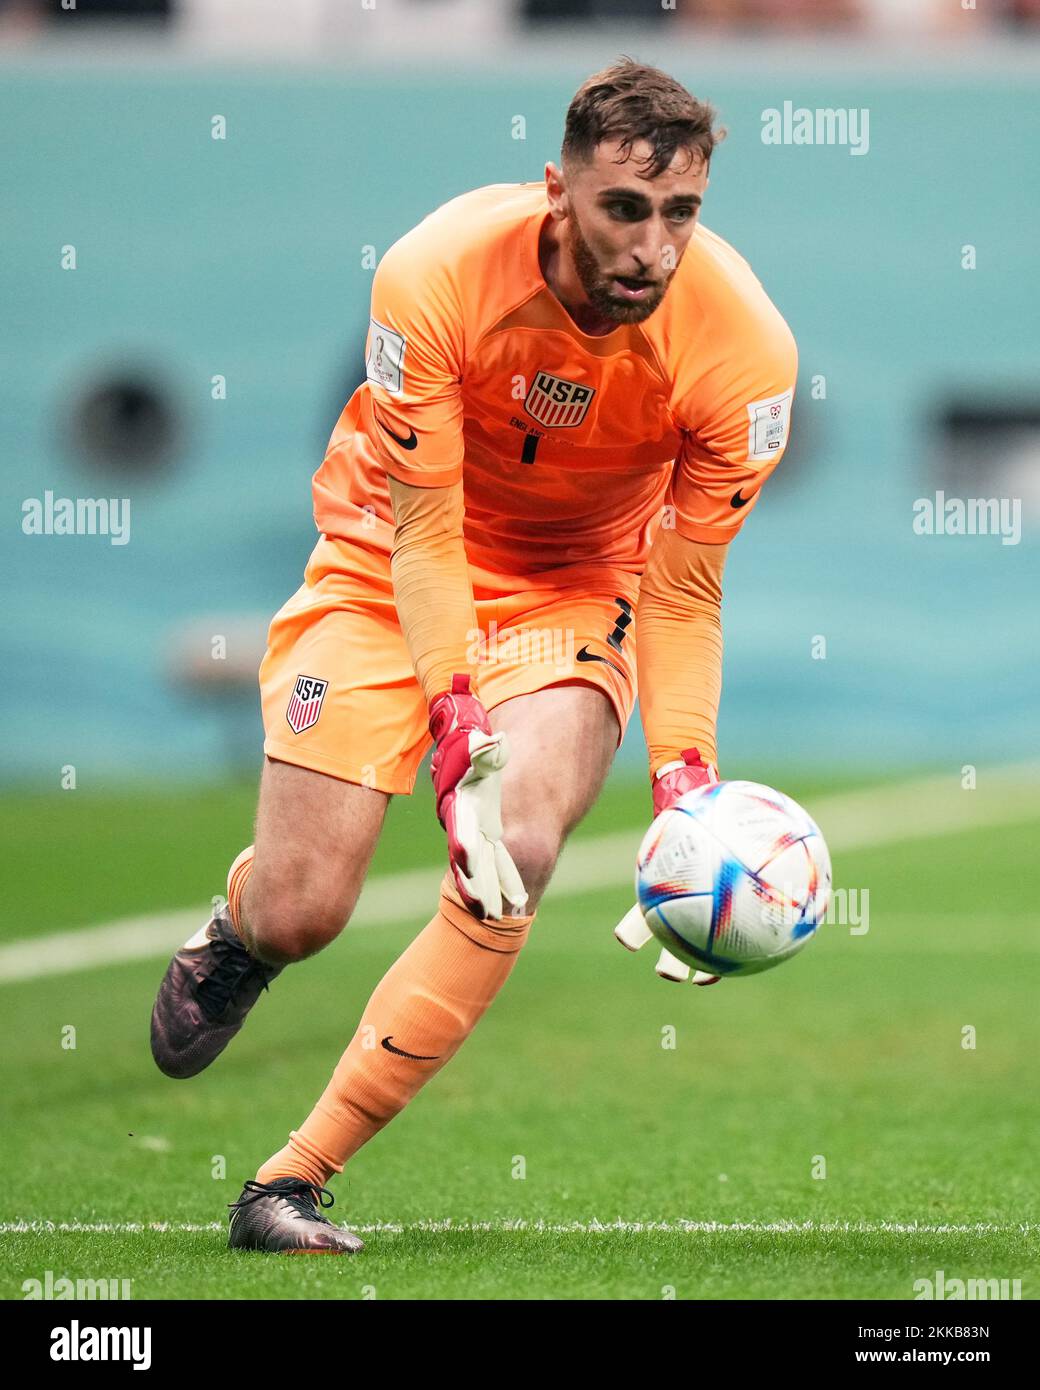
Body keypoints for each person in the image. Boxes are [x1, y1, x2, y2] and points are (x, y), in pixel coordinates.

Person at [150, 57, 797, 1254]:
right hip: (388, 557)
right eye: (622, 208)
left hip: (575, 586)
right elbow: (424, 525)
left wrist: (682, 789)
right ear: (557, 192)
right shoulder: (436, 272)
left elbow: (684, 587)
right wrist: (455, 714)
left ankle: (290, 1180)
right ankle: (241, 932)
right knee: (304, 910)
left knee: (521, 844)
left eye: (680, 213)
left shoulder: (743, 355)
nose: (652, 247)